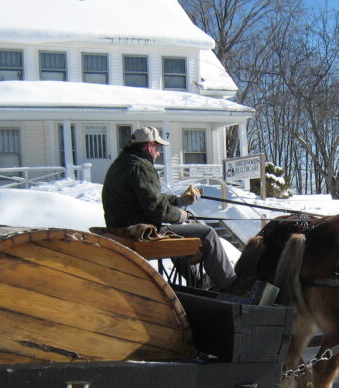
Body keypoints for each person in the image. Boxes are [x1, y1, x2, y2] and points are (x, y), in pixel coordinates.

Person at [102, 126, 274, 303]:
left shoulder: (122, 163)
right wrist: (180, 215)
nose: (159, 153)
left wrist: (179, 200)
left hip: (125, 226)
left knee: (178, 236)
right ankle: (229, 284)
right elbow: (156, 209)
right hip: (140, 230)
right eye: (158, 148)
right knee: (207, 234)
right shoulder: (141, 167)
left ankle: (198, 280)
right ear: (149, 146)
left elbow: (150, 198)